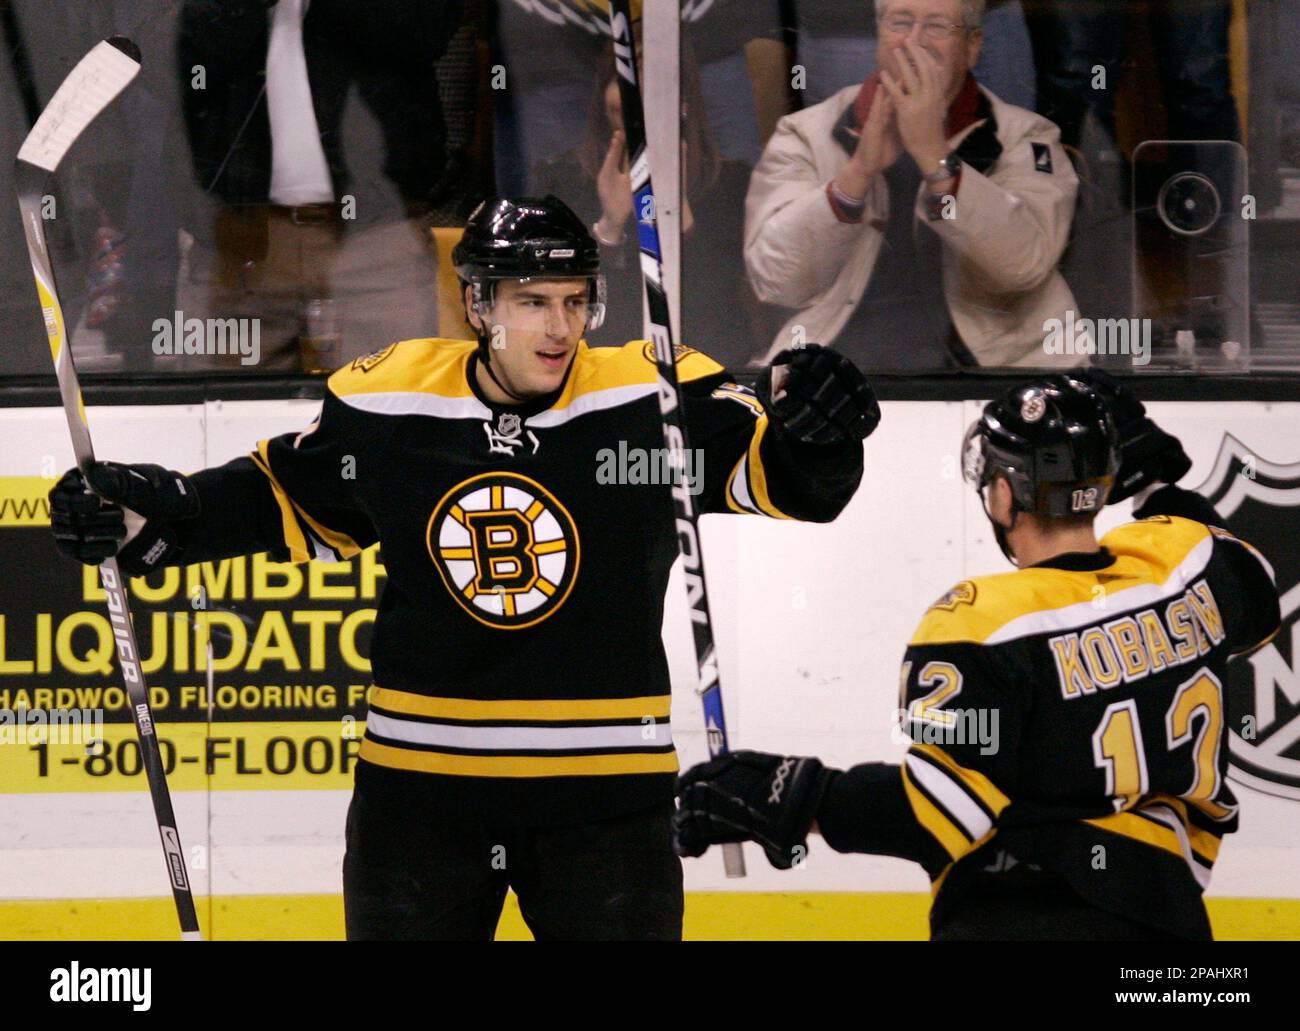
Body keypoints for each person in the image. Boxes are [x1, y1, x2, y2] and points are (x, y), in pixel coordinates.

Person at [47, 195, 880, 941]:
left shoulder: (652, 400)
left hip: (605, 807)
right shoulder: (392, 404)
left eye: (574, 301)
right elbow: (282, 498)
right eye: (531, 303)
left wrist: (823, 433)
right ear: (479, 304)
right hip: (420, 806)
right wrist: (153, 515)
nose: (561, 328)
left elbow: (795, 483)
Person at [674, 370, 1281, 940]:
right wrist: (1152, 479)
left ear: (1001, 495)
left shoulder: (982, 623)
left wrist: (789, 794)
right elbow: (1252, 591)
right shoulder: (1182, 563)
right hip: (1171, 924)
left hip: (1027, 914)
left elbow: (939, 813)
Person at [745, 0, 1081, 370]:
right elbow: (776, 281)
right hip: (837, 370)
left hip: (994, 372)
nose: (914, 41)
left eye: (936, 26)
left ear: (972, 46)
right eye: (900, 22)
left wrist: (937, 163)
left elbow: (1020, 266)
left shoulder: (1027, 137)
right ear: (879, 35)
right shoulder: (806, 134)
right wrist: (856, 176)